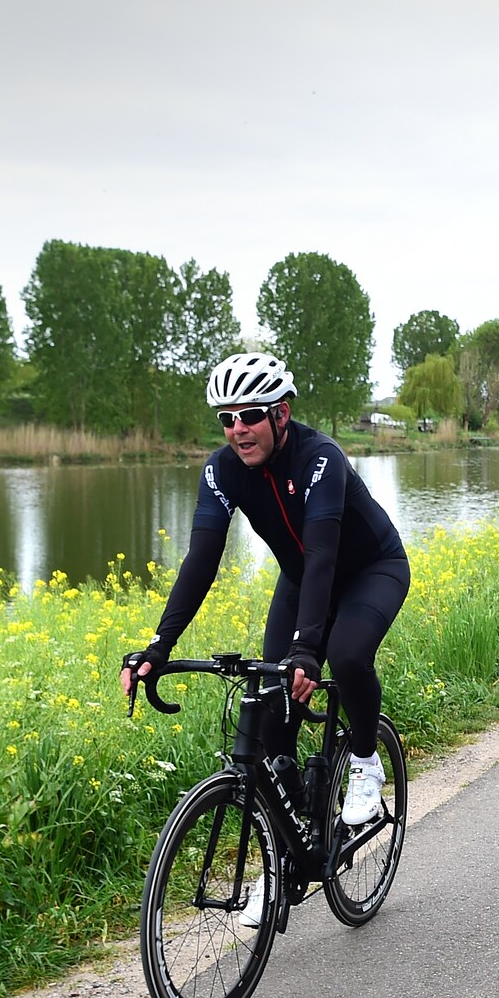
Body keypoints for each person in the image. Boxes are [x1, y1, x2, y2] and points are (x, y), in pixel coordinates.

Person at [123, 351, 409, 846]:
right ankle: (292, 850)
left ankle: (365, 760)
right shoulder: (221, 470)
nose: (238, 430)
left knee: (344, 655)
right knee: (275, 716)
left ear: (281, 413)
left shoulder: (320, 457)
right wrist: (159, 645)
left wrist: (306, 647)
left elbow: (322, 554)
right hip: (302, 579)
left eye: (251, 415)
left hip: (371, 570)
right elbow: (201, 561)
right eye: (227, 419)